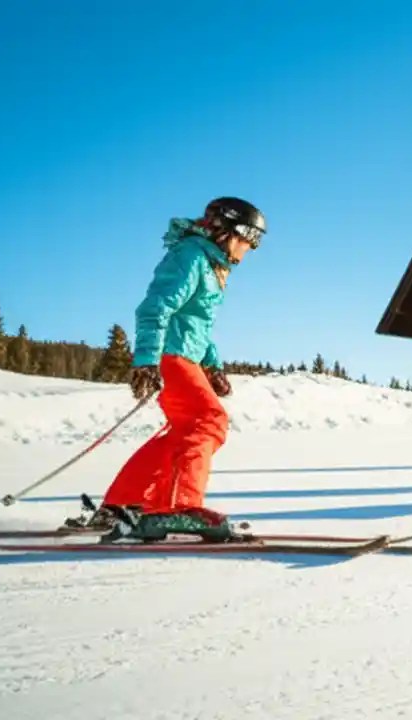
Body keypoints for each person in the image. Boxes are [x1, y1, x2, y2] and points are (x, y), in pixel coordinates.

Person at [69, 197, 266, 542]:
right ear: (230, 231)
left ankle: (124, 504)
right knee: (209, 421)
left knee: (181, 434)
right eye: (250, 240)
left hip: (185, 356)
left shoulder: (211, 266)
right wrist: (146, 359)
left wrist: (212, 364)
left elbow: (196, 324)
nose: (250, 250)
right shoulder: (190, 256)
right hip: (169, 355)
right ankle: (176, 509)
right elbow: (155, 308)